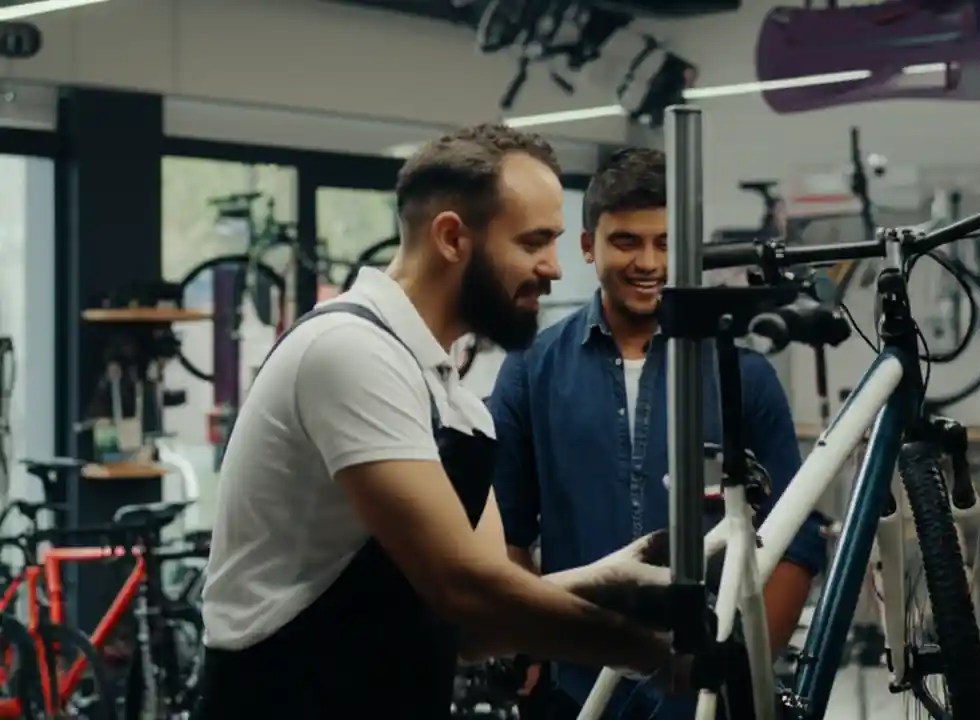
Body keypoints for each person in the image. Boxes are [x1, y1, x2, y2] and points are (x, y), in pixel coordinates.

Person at [196, 125, 684, 719]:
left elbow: (475, 628)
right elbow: (465, 592)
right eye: (534, 242)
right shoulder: (349, 351)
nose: (554, 269)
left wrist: (606, 582)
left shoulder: (450, 395)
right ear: (453, 237)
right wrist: (655, 658)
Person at [488, 147, 828, 719]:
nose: (648, 262)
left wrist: (740, 672)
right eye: (626, 242)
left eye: (666, 243)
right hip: (573, 685)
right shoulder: (531, 369)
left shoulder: (742, 376)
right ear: (587, 245)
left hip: (703, 693)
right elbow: (506, 534)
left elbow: (794, 542)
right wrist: (531, 641)